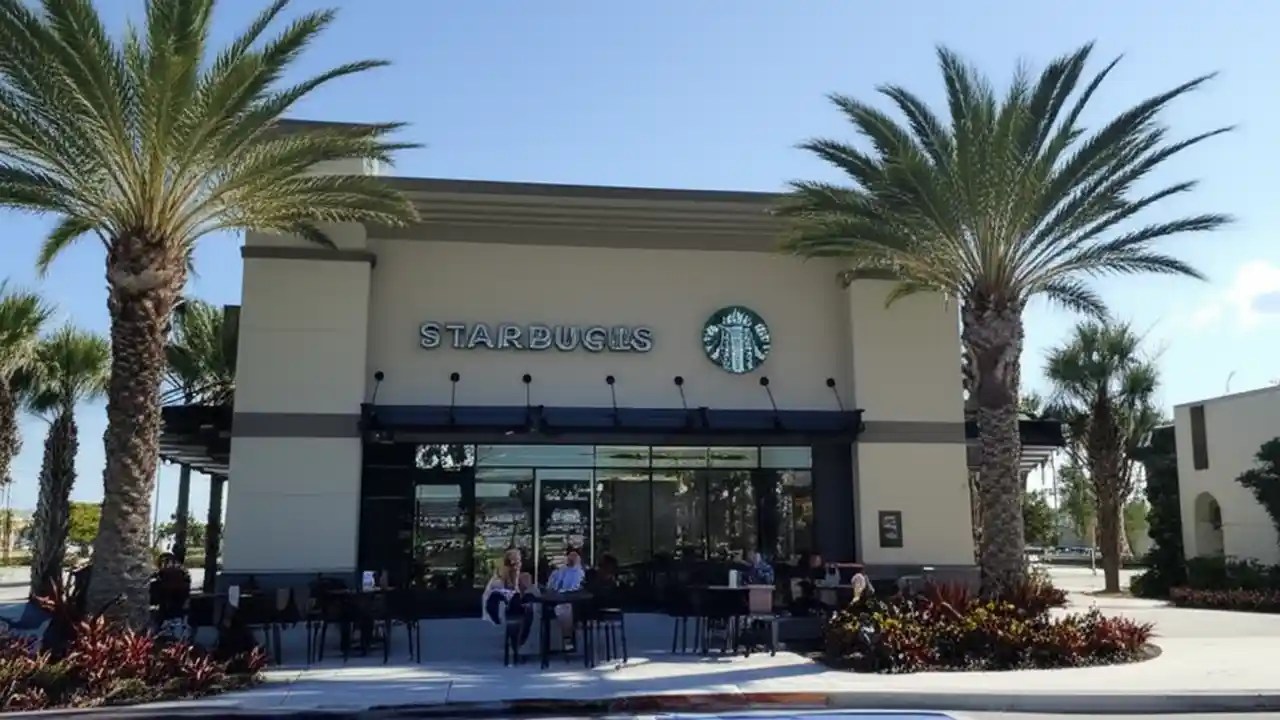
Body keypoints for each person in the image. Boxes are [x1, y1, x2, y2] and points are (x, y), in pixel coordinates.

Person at [481, 548, 537, 649]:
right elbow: (498, 587)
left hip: (519, 602)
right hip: (508, 602)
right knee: (513, 613)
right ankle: (515, 643)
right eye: (515, 561)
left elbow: (525, 589)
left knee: (528, 609)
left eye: (519, 560)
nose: (517, 564)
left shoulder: (524, 575)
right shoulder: (503, 572)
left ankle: (519, 642)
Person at [546, 548, 586, 650]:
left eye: (575, 556)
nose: (572, 558)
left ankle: (568, 637)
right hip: (559, 600)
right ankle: (567, 638)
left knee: (567, 609)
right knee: (562, 609)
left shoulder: (582, 573)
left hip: (577, 602)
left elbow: (580, 588)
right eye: (570, 556)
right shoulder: (559, 572)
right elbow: (551, 587)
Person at [150, 553, 192, 641]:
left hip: (166, 606)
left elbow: (154, 594)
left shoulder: (161, 574)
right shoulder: (182, 573)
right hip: (177, 607)